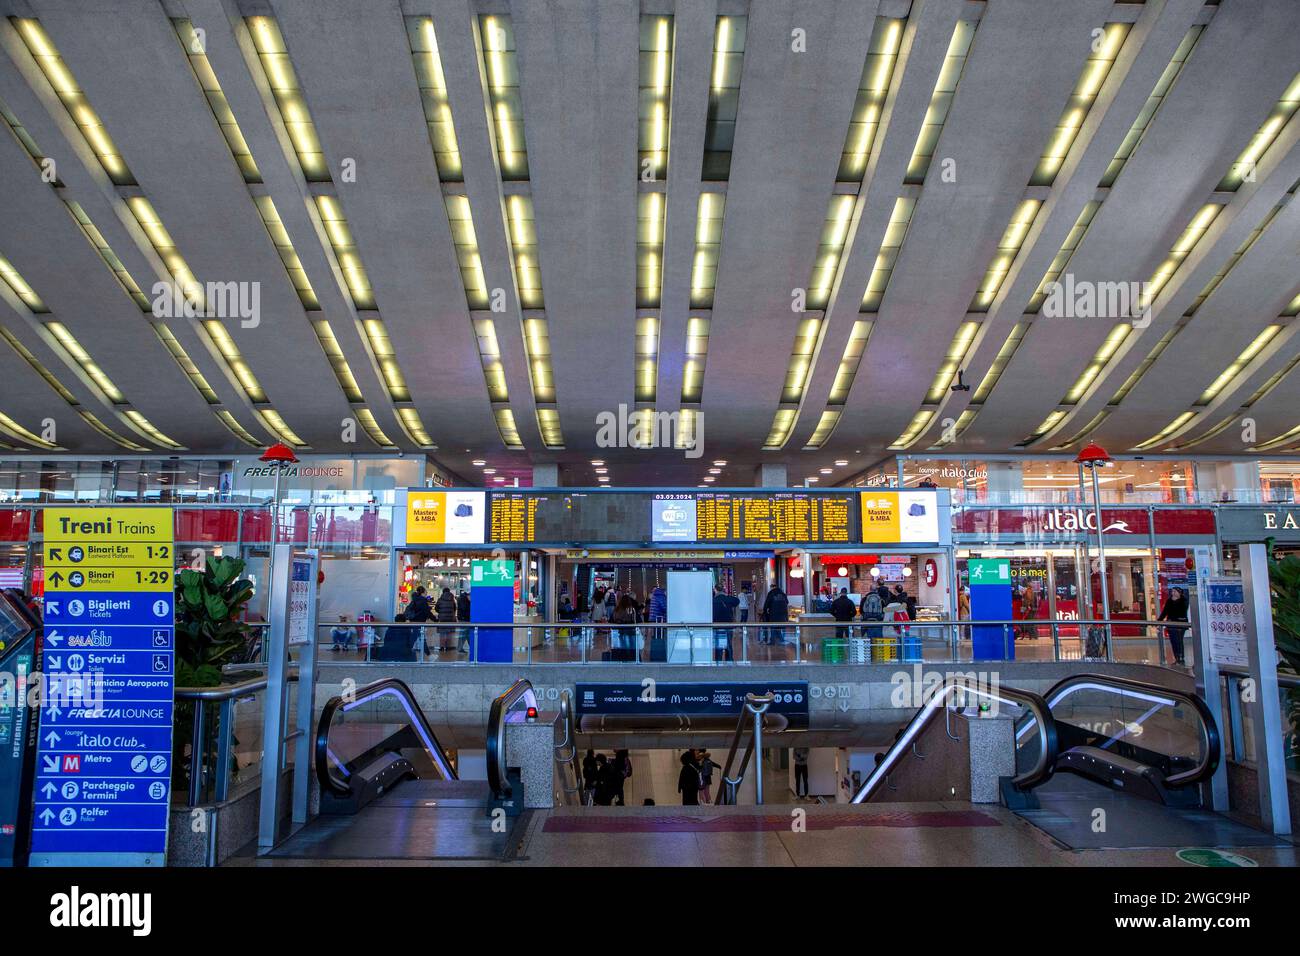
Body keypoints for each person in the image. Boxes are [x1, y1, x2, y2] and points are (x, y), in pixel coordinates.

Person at [1157, 586, 1190, 665]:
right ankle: (1177, 657)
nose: (1173, 593)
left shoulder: (1183, 600)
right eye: (1172, 591)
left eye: (1175, 591)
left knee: (1179, 640)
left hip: (1180, 623)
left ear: (1179, 593)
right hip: (1171, 623)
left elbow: (1182, 610)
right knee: (1173, 641)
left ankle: (1181, 657)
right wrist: (1159, 620)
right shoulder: (1169, 601)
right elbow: (1165, 611)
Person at [712, 586, 740, 661]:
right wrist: (726, 595)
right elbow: (737, 601)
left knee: (719, 646)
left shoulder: (714, 600)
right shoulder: (728, 599)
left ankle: (718, 662)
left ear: (715, 590)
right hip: (728, 626)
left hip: (717, 626)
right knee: (729, 645)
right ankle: (729, 661)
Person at [406, 586, 432, 655]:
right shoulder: (422, 600)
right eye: (425, 591)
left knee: (420, 636)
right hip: (419, 621)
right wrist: (435, 619)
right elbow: (427, 611)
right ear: (422, 592)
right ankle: (407, 650)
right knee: (415, 637)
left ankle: (427, 651)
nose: (426, 593)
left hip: (414, 621)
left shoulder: (415, 599)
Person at [435, 586, 457, 651]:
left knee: (442, 634)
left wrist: (441, 612)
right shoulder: (452, 600)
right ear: (449, 592)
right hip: (451, 619)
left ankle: (441, 647)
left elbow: (436, 608)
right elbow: (454, 608)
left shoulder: (440, 599)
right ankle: (448, 647)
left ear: (443, 592)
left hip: (442, 619)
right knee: (449, 634)